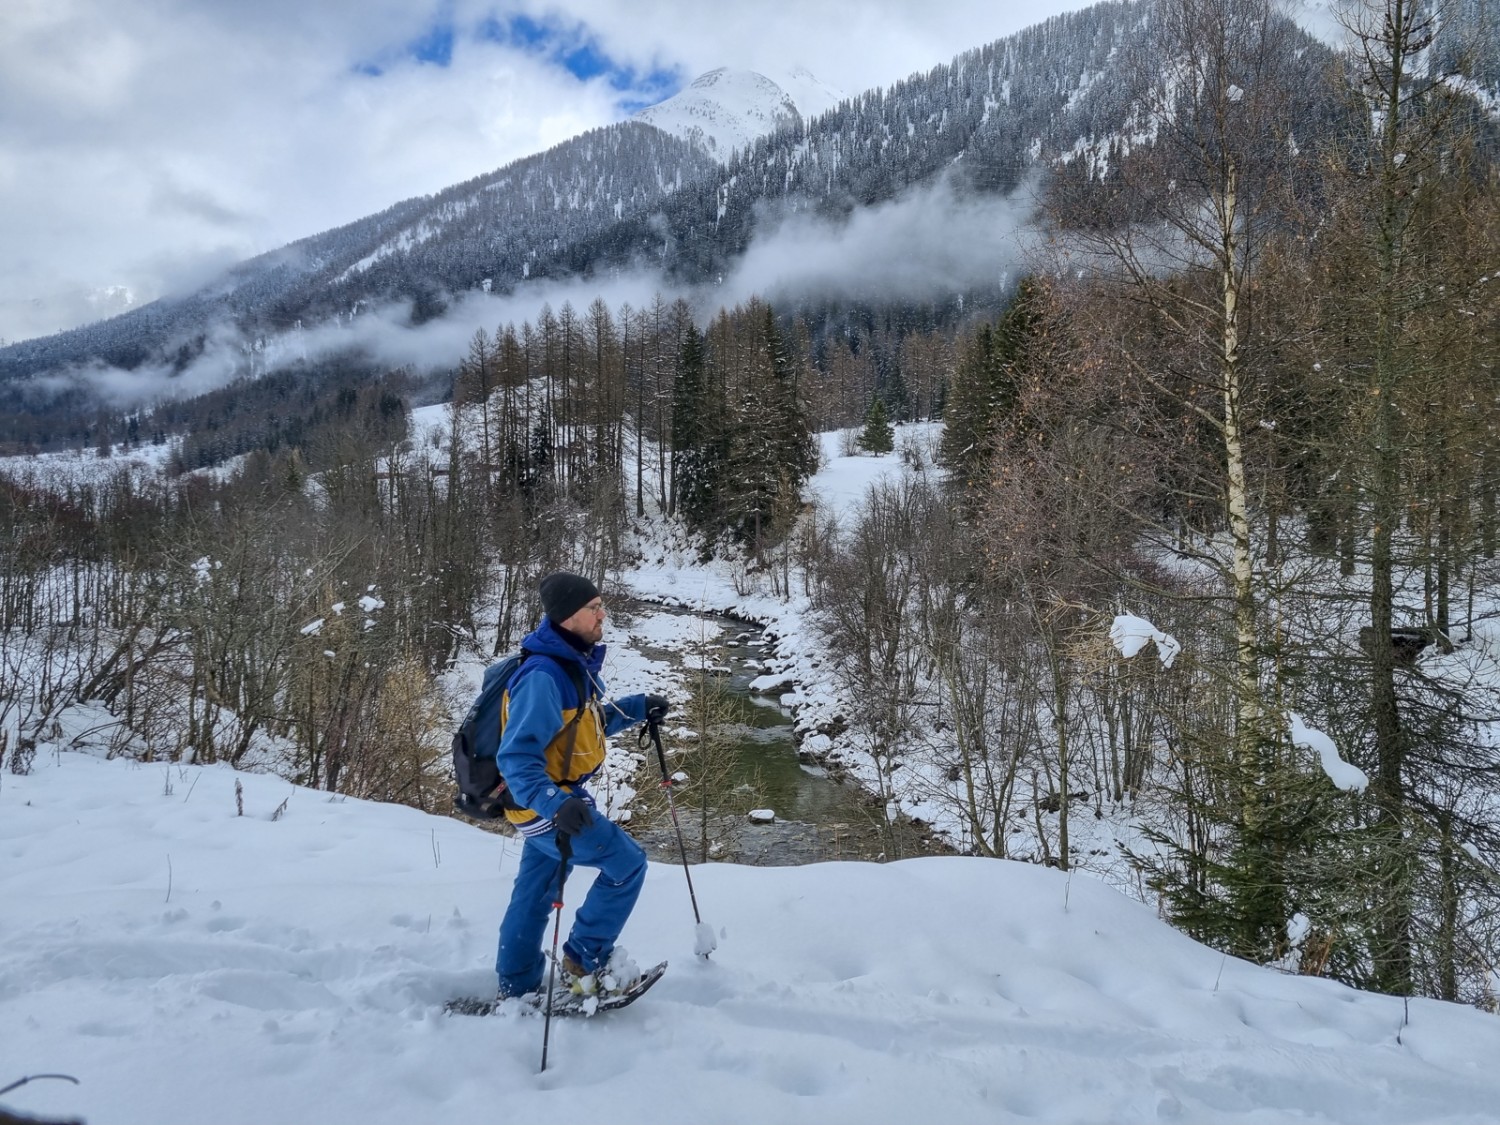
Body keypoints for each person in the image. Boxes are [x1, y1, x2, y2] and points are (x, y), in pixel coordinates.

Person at [494, 570, 668, 1001]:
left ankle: (516, 985)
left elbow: (582, 729)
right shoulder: (544, 677)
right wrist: (556, 804)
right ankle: (584, 962)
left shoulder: (571, 665)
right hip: (547, 804)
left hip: (543, 803)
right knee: (626, 865)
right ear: (568, 616)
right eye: (594, 608)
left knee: (535, 895)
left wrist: (636, 707)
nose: (602, 615)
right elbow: (516, 758)